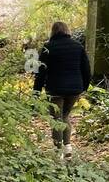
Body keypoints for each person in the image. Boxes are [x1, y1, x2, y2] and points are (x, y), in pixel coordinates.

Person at [32, 21, 91, 157]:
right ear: (67, 30)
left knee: (56, 119)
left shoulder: (48, 47)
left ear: (53, 31)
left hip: (55, 89)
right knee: (65, 116)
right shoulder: (78, 46)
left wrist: (36, 92)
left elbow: (41, 72)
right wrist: (84, 87)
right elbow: (86, 69)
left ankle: (58, 150)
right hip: (74, 89)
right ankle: (68, 147)